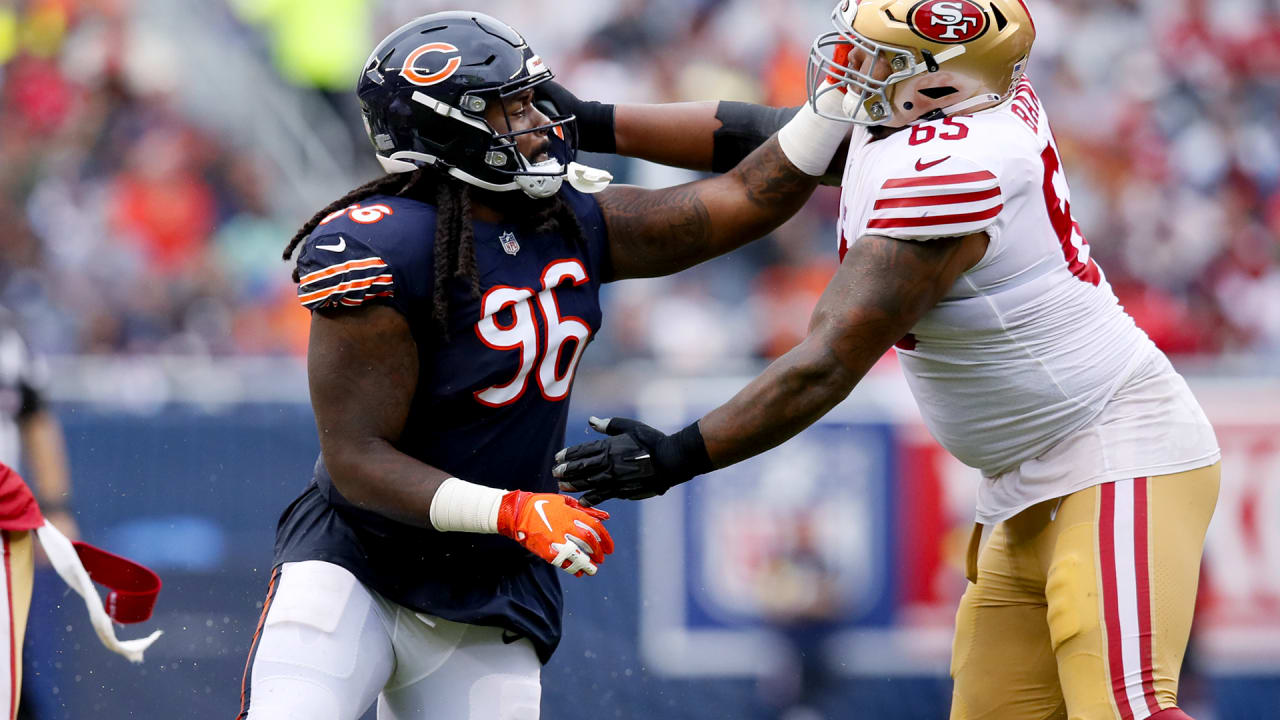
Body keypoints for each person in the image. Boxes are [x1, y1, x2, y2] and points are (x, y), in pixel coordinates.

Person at [553, 2, 1220, 719]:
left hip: (1114, 450)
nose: (849, 65)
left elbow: (829, 360)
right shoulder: (951, 109)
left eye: (875, 55)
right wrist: (590, 121)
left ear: (939, 85)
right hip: (1024, 481)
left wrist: (678, 455)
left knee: (1128, 709)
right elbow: (770, 141)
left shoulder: (957, 170)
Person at [235, 10, 853, 719]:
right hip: (358, 567)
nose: (541, 123)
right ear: (446, 129)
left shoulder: (572, 222)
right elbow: (356, 459)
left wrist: (834, 102)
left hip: (493, 586)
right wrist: (513, 511)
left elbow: (746, 197)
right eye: (513, 108)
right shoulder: (386, 248)